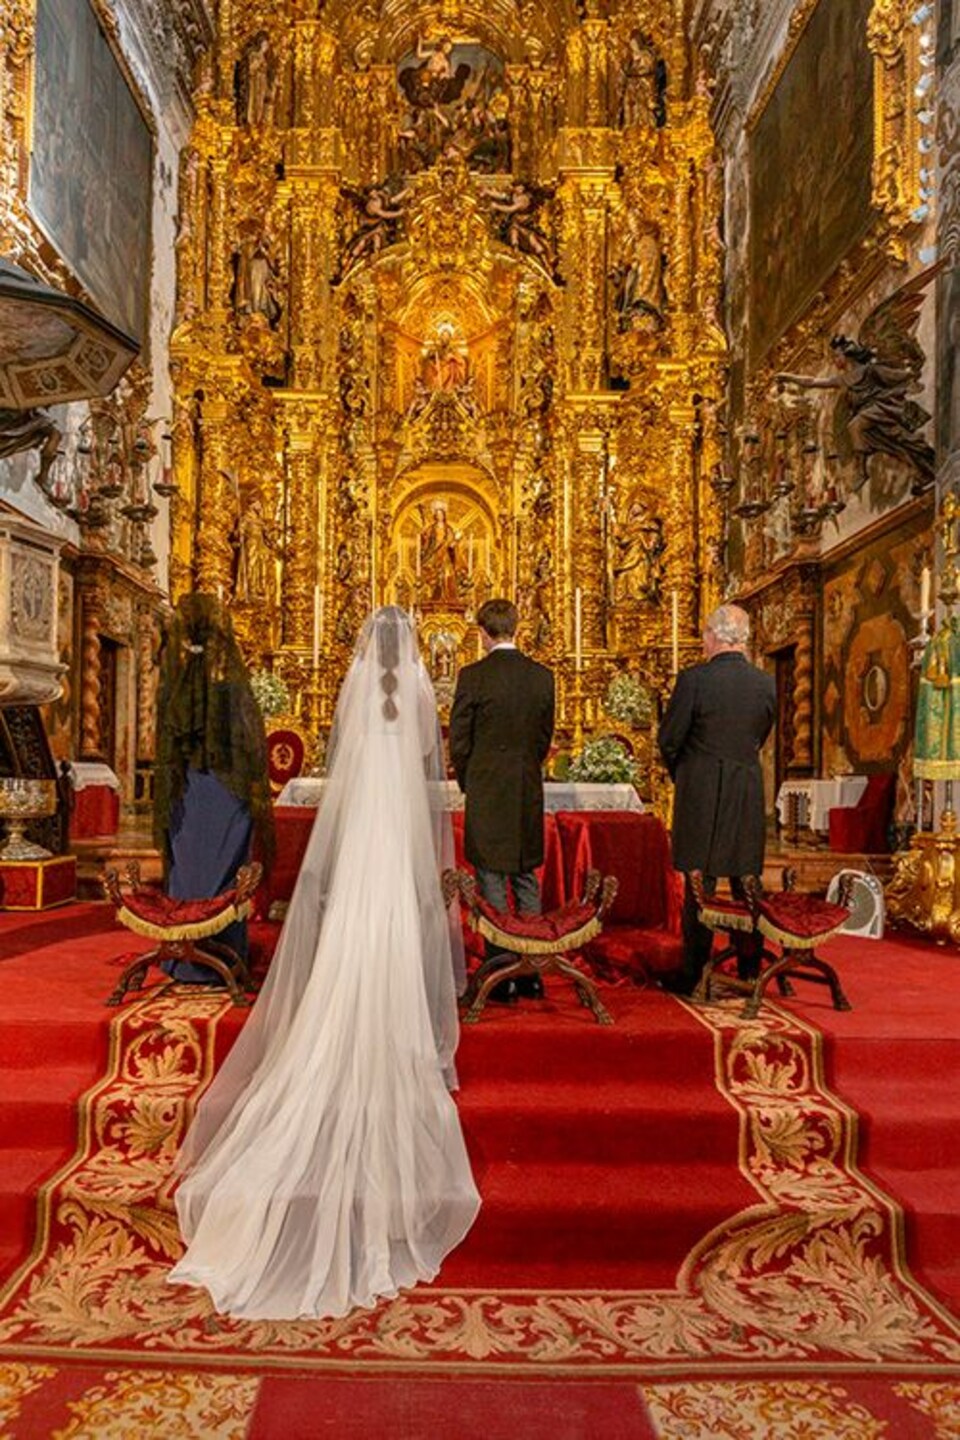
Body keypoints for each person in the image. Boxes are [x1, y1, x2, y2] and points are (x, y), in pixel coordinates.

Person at [168, 607, 479, 1319]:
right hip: (396, 855)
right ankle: (399, 1040)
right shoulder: (421, 702)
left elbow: (343, 764)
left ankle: (335, 1033)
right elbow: (428, 770)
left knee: (347, 948)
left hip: (363, 850)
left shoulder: (356, 691)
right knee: (396, 940)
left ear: (368, 652)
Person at [154, 593, 274, 982]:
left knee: (187, 870)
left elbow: (166, 754)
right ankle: (221, 950)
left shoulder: (172, 692)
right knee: (224, 871)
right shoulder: (235, 692)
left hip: (186, 796)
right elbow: (252, 749)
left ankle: (181, 958)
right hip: (225, 796)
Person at [657, 604, 776, 997]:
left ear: (713, 636)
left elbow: (670, 738)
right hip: (745, 786)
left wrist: (687, 774)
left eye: (705, 636)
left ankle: (693, 972)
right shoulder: (764, 682)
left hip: (701, 789)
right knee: (746, 880)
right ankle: (749, 966)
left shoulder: (694, 680)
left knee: (698, 882)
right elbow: (762, 731)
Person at [449, 598, 555, 1001]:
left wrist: (470, 777)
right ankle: (532, 970)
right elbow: (545, 735)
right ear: (516, 628)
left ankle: (501, 970)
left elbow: (460, 738)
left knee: (491, 875)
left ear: (482, 633)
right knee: (526, 872)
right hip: (526, 785)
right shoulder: (541, 676)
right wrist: (527, 766)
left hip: (487, 786)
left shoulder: (473, 676)